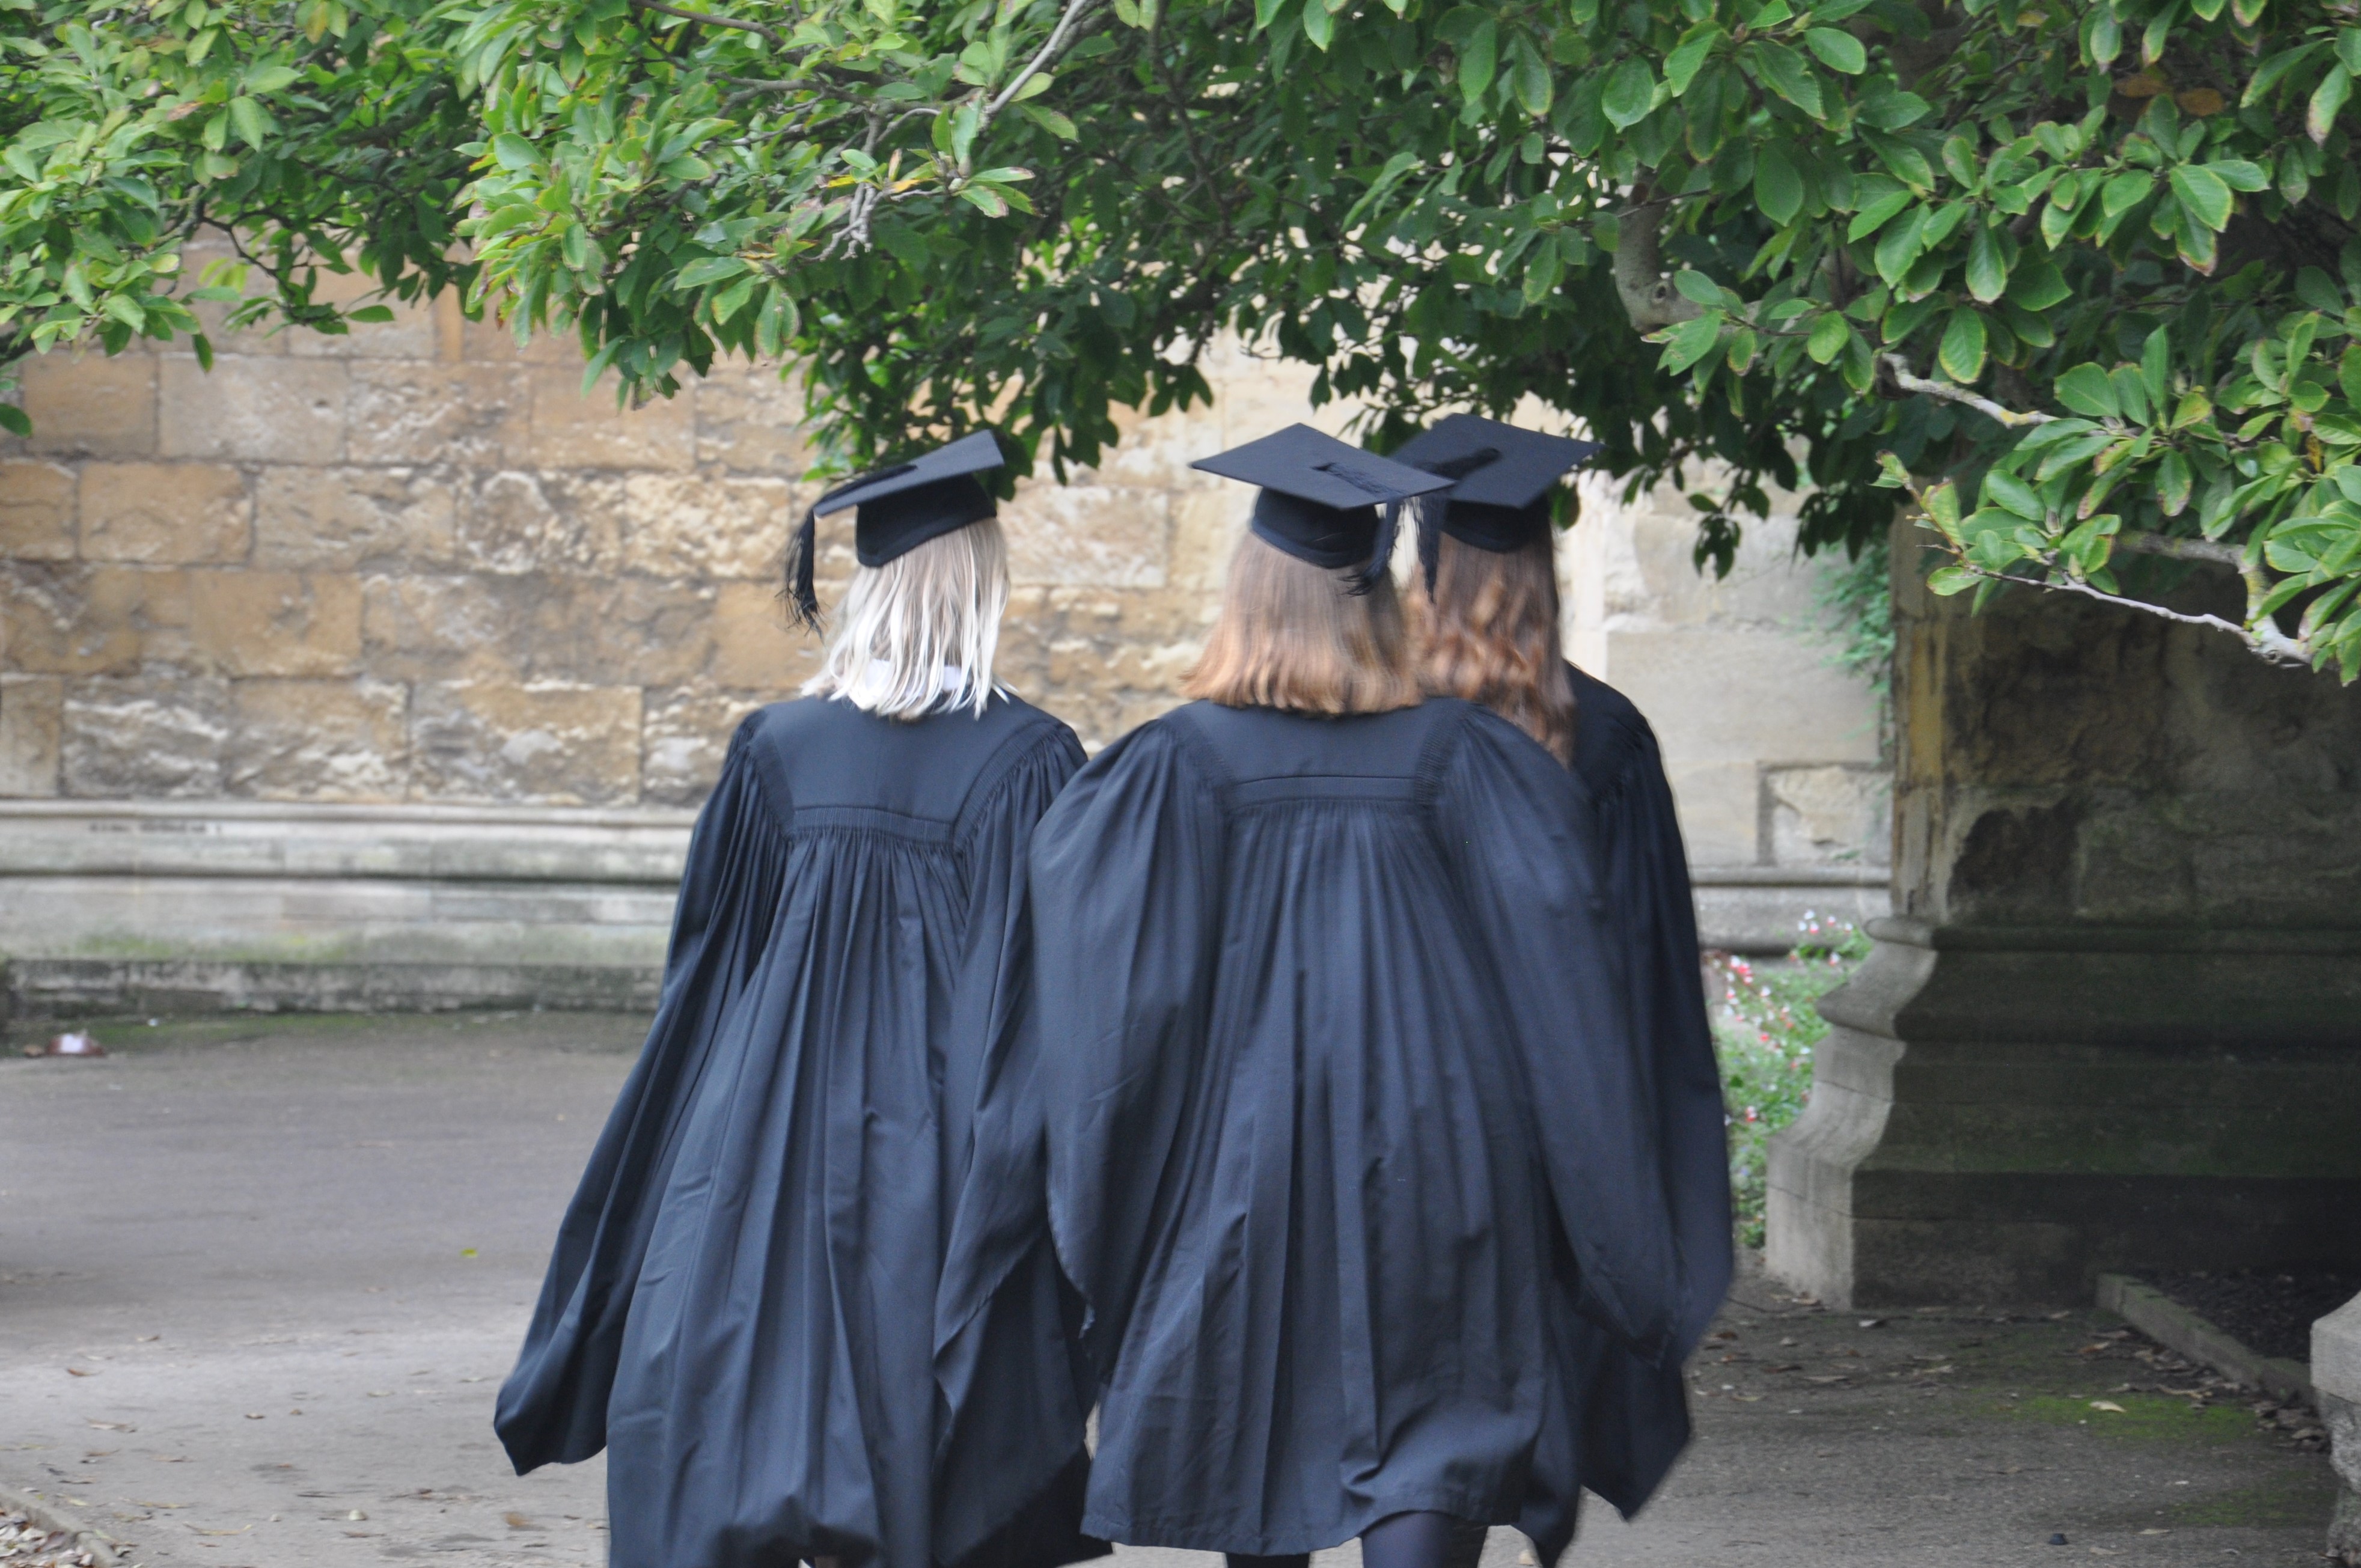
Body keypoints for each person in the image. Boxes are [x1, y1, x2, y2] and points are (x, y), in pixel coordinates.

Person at [974, 424, 1680, 1568]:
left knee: (1262, 1447)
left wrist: (1101, 1214)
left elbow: (1114, 1020)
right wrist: (1615, 1242)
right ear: (1381, 594)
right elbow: (1562, 985)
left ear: (1249, 593)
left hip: (1237, 1170)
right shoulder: (1475, 760)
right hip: (1448, 1158)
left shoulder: (1166, 768)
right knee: (1431, 1443)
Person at [493, 432, 1104, 1568]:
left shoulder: (775, 747)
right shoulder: (1034, 758)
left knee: (741, 1420)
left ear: (871, 586)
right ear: (979, 586)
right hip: (940, 1166)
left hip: (756, 1150)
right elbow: (1047, 1004)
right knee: (923, 1435)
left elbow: (710, 975)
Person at [1391, 413, 1734, 1547]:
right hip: (1548, 1136)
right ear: (1540, 556)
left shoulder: (1366, 719)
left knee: (1407, 1412)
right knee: (1523, 1381)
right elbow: (1647, 979)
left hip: (1391, 1122)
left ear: (1424, 552)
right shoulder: (1608, 737)